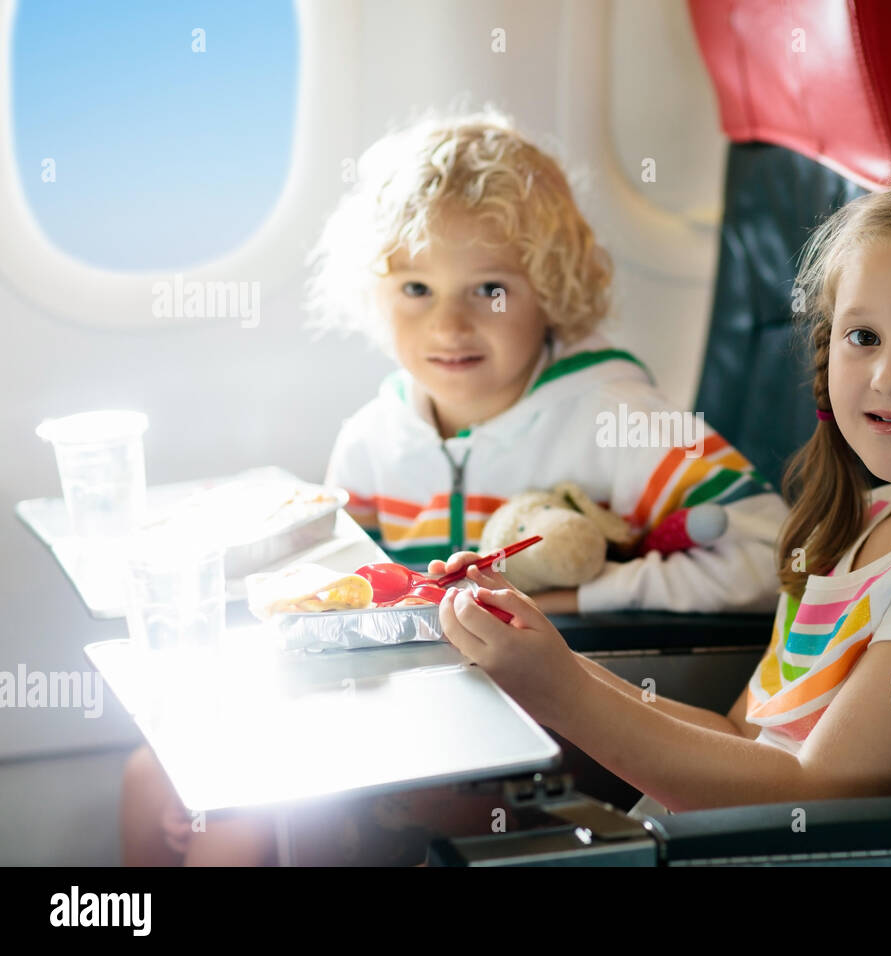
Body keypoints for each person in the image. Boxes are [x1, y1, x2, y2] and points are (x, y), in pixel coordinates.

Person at [119, 108, 787, 866]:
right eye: (415, 288)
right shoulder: (376, 434)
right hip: (406, 698)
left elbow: (771, 551)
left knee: (242, 816)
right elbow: (346, 593)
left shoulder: (612, 415)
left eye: (490, 290)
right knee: (154, 777)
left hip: (546, 718)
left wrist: (574, 598)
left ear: (553, 290)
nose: (449, 325)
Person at [432, 166, 891, 822]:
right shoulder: (858, 523)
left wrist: (562, 692)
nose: (890, 377)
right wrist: (538, 655)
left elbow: (816, 797)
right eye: (863, 337)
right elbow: (744, 742)